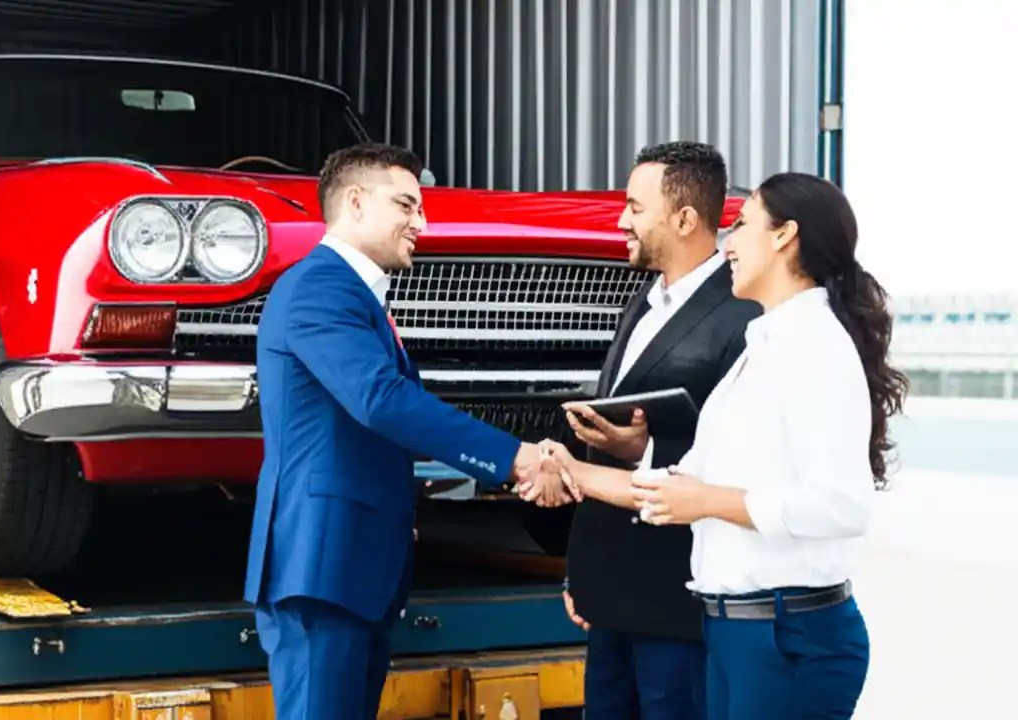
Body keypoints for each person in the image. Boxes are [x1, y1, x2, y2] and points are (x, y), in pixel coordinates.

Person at [544, 171, 907, 719]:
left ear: (785, 236)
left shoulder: (814, 348)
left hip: (787, 639)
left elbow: (844, 505)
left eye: (741, 225)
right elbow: (678, 483)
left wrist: (709, 503)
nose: (728, 242)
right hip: (736, 632)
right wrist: (564, 467)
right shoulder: (761, 347)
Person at [243, 141, 569, 720]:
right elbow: (381, 401)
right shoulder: (320, 287)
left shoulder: (352, 294)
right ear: (356, 202)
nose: (420, 223)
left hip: (351, 562)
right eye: (406, 205)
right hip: (325, 565)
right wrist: (514, 458)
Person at [555, 141, 760, 720]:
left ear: (686, 219)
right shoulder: (644, 301)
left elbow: (736, 460)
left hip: (676, 603)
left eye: (635, 207)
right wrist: (583, 573)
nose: (621, 220)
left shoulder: (744, 315)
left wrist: (645, 447)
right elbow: (628, 446)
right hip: (613, 600)